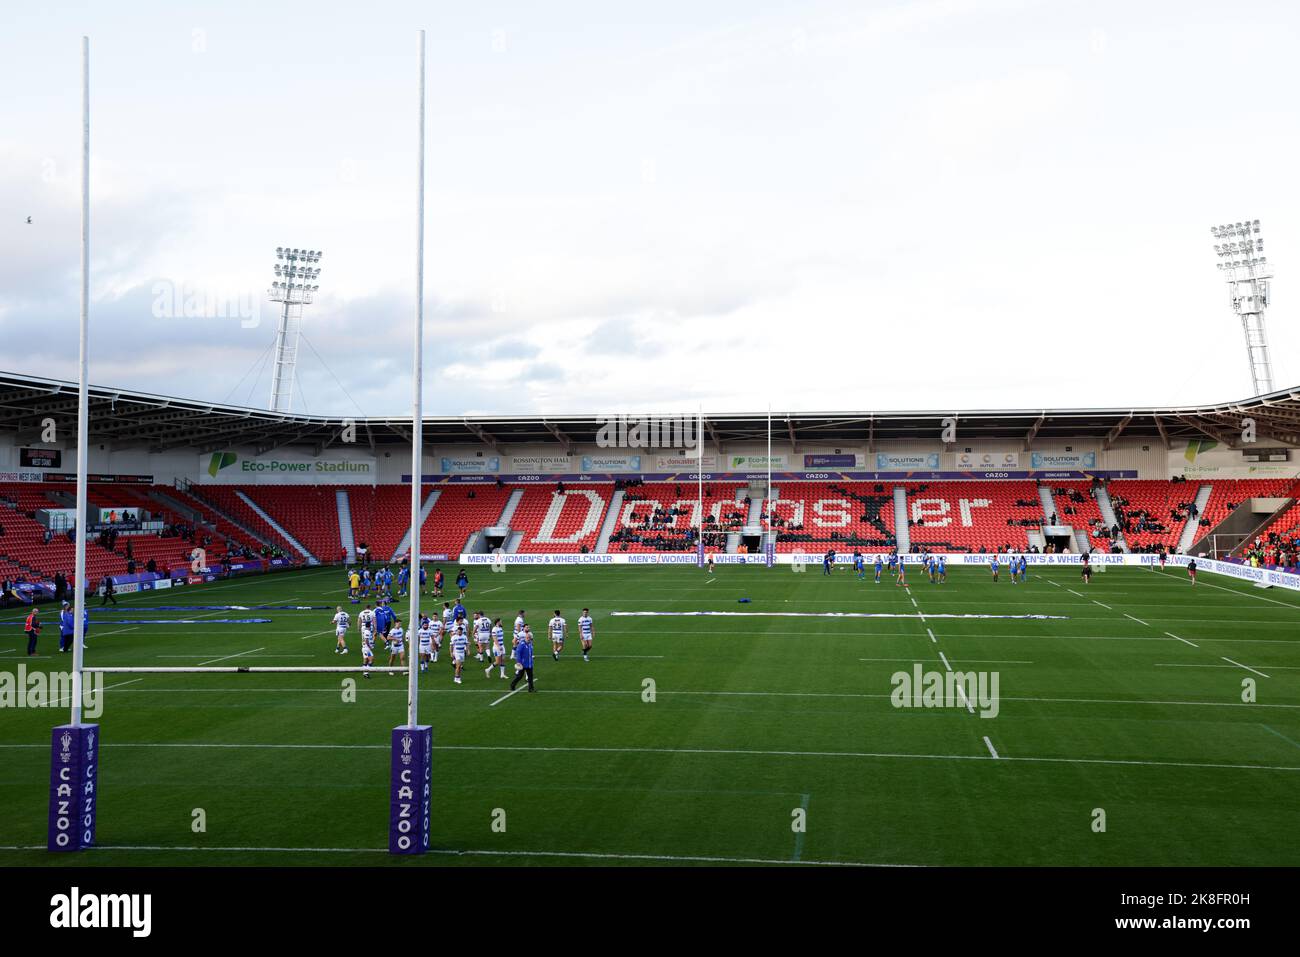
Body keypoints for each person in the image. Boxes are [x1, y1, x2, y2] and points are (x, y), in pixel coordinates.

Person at [509, 626, 535, 693]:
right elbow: (518, 653)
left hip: (529, 663)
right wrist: (519, 662)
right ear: (525, 638)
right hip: (523, 664)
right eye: (528, 638)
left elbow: (530, 654)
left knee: (530, 676)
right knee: (520, 676)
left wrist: (531, 661)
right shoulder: (522, 644)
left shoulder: (530, 644)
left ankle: (531, 688)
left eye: (530, 638)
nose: (529, 639)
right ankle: (512, 685)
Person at [449, 620, 469, 684]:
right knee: (458, 666)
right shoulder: (454, 637)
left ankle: (456, 678)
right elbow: (451, 646)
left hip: (462, 653)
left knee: (459, 666)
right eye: (458, 631)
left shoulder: (464, 637)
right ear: (457, 631)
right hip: (456, 653)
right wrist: (451, 653)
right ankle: (458, 678)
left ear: (462, 631)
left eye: (460, 631)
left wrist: (468, 650)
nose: (459, 632)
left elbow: (466, 644)